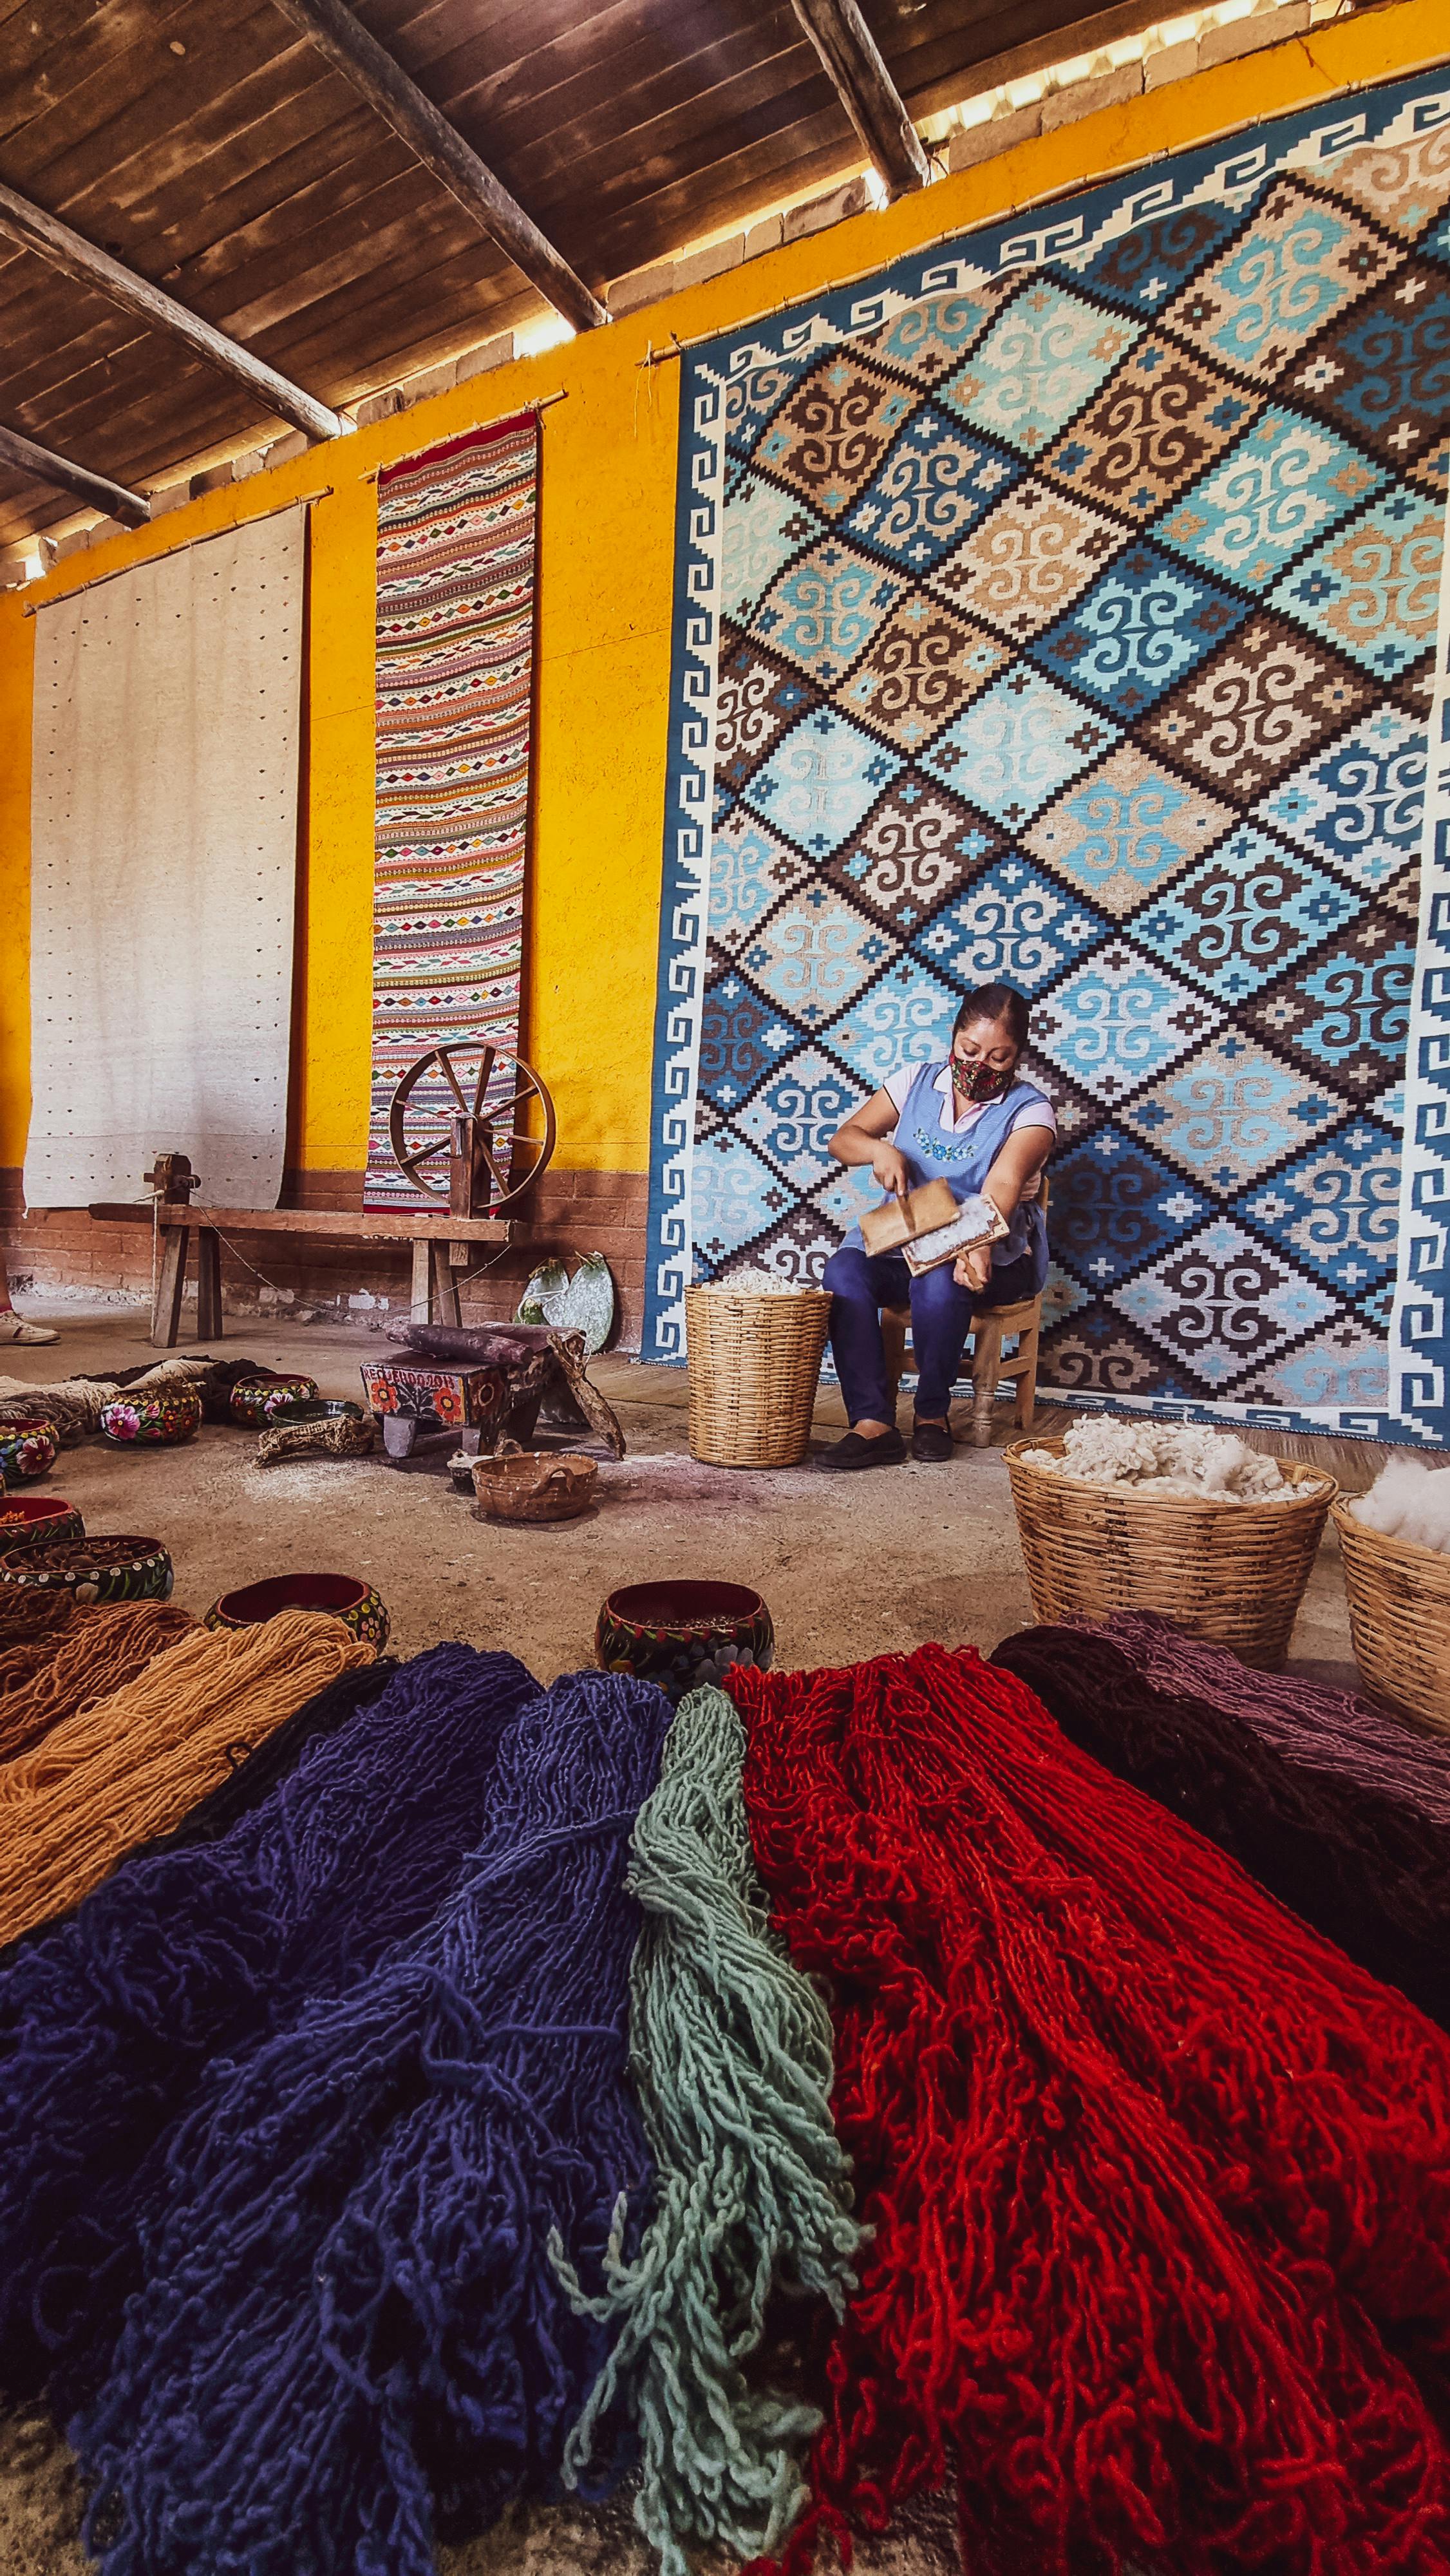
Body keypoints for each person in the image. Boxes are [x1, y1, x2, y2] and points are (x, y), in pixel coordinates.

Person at [818, 982, 1053, 1469]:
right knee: (844, 1274)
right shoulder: (915, 1082)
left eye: (999, 1058)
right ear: (953, 1039)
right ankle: (873, 1422)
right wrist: (880, 1149)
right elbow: (844, 1139)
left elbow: (1006, 1181)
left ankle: (931, 1415)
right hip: (902, 1240)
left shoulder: (1031, 1109)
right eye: (969, 1050)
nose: (980, 1065)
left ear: (1018, 1057)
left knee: (938, 1280)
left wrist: (979, 1243)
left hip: (986, 1247)